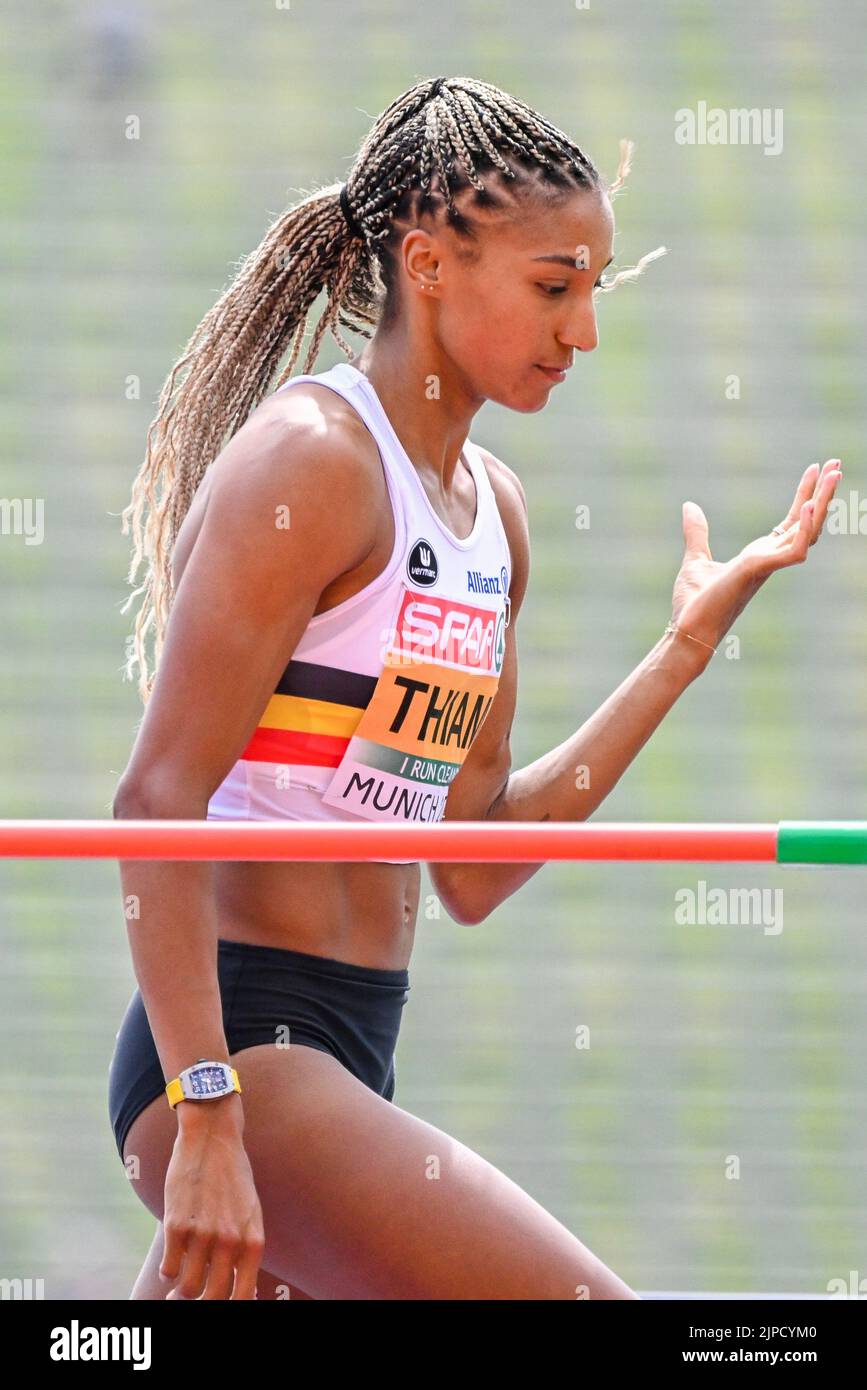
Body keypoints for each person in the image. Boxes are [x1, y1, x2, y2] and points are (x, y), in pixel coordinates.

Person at [107, 74, 841, 1300]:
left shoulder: (494, 515)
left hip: (350, 1050)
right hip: (244, 1051)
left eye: (592, 291)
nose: (584, 331)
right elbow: (152, 804)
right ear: (428, 262)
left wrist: (681, 654)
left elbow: (476, 863)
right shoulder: (315, 463)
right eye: (554, 287)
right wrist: (211, 1114)